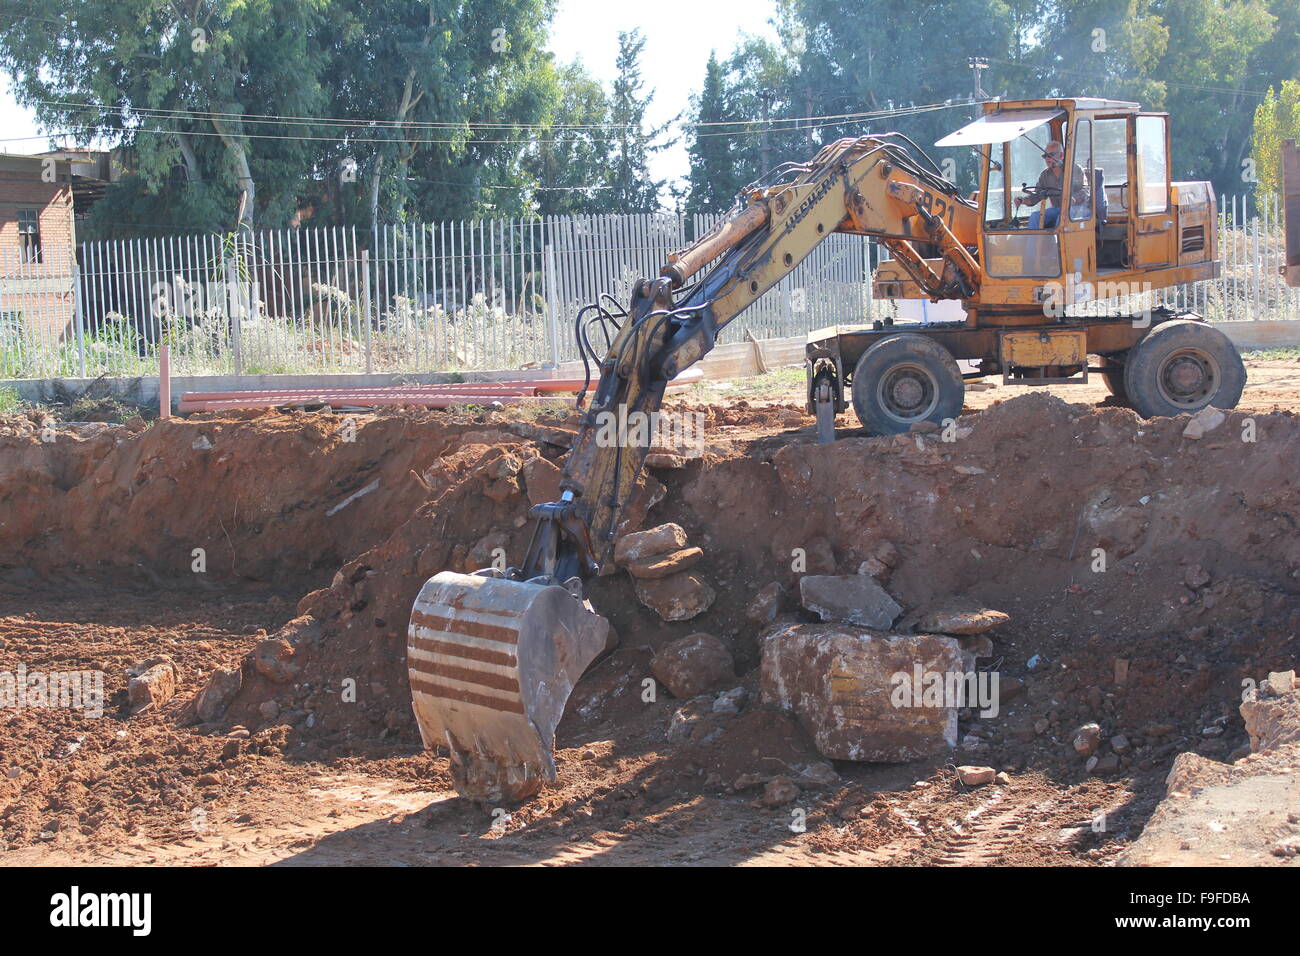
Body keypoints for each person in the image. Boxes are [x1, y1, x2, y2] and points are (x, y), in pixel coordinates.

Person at [1015, 140, 1089, 229]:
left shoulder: (1074, 170)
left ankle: (1059, 242)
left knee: (1062, 218)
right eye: (1045, 156)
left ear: (1061, 155)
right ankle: (1036, 242)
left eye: (1050, 155)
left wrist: (1073, 198)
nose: (1047, 159)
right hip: (1058, 209)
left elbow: (1086, 191)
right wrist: (1022, 200)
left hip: (1078, 209)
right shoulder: (1045, 175)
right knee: (1035, 217)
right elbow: (1037, 196)